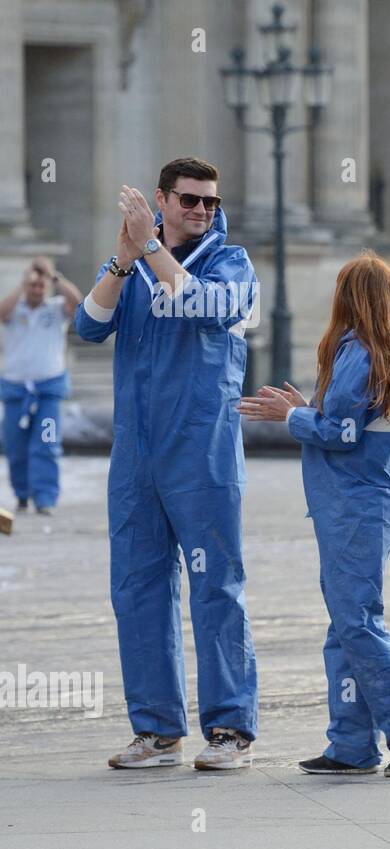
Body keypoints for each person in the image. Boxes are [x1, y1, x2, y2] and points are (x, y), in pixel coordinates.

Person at [75, 157, 259, 771]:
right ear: (162, 197)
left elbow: (204, 306)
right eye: (188, 199)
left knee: (217, 589)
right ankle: (156, 732)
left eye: (209, 200)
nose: (201, 210)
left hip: (201, 451)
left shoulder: (232, 264)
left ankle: (230, 731)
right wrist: (123, 259)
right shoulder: (135, 263)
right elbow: (88, 325)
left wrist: (150, 246)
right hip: (136, 455)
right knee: (137, 589)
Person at [239, 252, 390, 777]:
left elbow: (340, 433)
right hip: (373, 502)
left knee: (357, 621)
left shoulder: (360, 352)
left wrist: (293, 416)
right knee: (345, 627)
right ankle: (351, 744)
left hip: (354, 505)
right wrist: (304, 408)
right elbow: (348, 422)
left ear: (348, 297)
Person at [1, 258, 82, 514]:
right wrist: (23, 284)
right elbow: (1, 312)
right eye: (33, 286)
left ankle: (45, 498)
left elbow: (79, 303)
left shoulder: (56, 308)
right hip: (15, 389)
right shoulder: (15, 309)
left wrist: (54, 276)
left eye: (41, 286)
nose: (37, 290)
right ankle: (22, 494)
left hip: (48, 390)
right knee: (15, 446)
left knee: (46, 444)